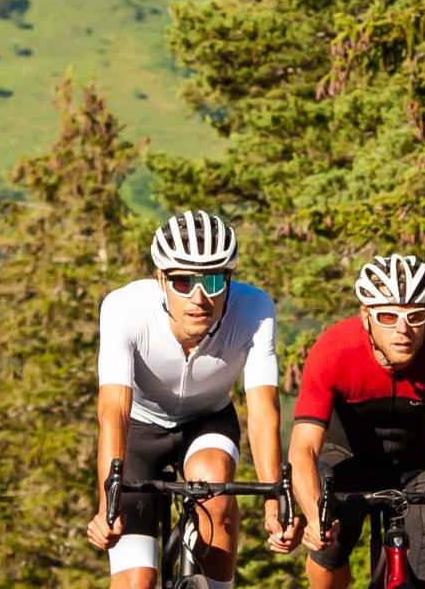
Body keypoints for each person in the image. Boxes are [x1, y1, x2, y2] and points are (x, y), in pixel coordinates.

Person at [88, 209, 299, 588]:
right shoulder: (124, 308)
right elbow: (114, 411)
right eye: (183, 282)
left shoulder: (254, 310)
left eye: (214, 280)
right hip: (139, 430)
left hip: (207, 422)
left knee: (214, 482)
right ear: (160, 279)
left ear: (230, 280)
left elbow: (263, 410)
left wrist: (273, 500)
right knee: (137, 582)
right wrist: (109, 503)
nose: (199, 298)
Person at [288, 254, 425, 589]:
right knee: (328, 548)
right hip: (346, 462)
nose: (403, 330)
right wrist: (314, 518)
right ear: (366, 315)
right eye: (388, 316)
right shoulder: (334, 351)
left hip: (414, 470)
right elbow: (303, 449)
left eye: (416, 317)